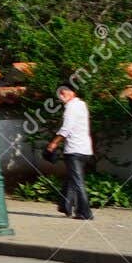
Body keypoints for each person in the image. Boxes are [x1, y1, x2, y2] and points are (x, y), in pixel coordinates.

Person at [46, 85, 94, 220]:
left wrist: (54, 143)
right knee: (72, 178)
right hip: (85, 149)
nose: (61, 96)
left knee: (77, 181)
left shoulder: (71, 108)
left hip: (74, 149)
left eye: (63, 92)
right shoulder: (82, 105)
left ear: (70, 92)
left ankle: (85, 212)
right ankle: (65, 206)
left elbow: (66, 129)